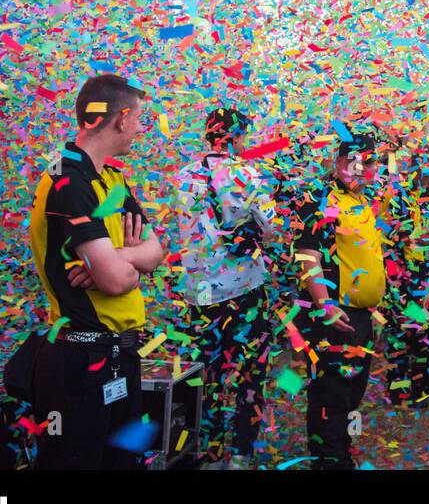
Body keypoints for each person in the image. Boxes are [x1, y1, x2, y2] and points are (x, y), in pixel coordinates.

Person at [27, 74, 163, 469]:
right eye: (139, 119)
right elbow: (117, 280)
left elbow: (155, 252)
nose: (140, 129)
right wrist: (126, 263)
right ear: (121, 119)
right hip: (78, 362)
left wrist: (119, 254)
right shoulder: (68, 179)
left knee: (123, 461)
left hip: (122, 352)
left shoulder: (112, 178)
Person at [176, 107, 278, 468]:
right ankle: (241, 453)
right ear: (235, 137)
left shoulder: (184, 176)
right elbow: (271, 228)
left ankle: (209, 453)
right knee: (251, 372)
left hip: (200, 294)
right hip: (244, 290)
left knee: (209, 374)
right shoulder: (248, 173)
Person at [295, 131, 389, 469]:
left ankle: (342, 451)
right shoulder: (322, 201)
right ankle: (328, 461)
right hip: (335, 316)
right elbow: (307, 256)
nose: (360, 168)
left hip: (361, 316)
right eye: (353, 161)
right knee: (331, 393)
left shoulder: (363, 203)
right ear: (337, 163)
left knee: (353, 391)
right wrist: (324, 305)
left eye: (368, 161)